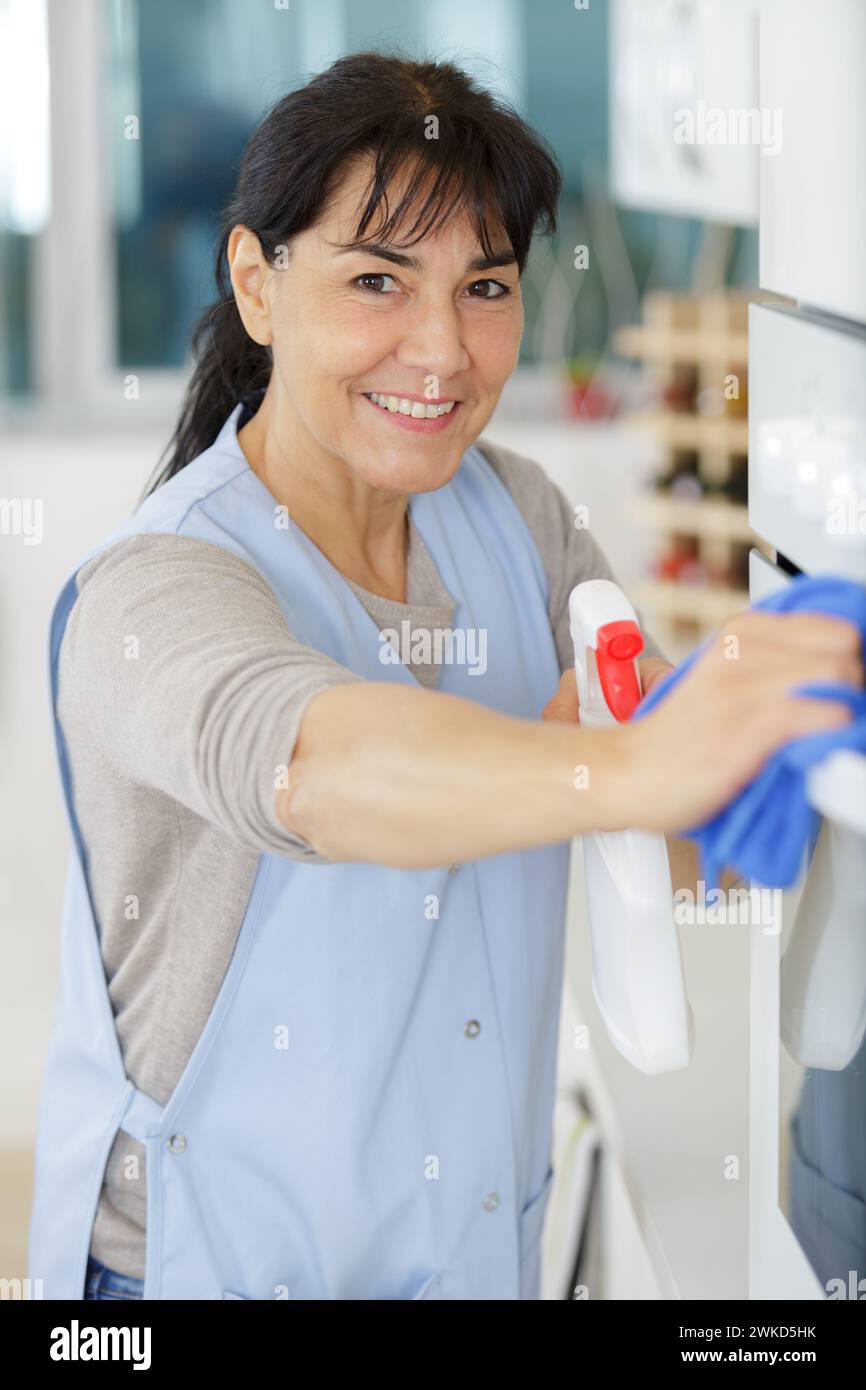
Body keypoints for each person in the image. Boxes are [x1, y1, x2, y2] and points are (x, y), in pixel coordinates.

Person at [29, 53, 862, 1301]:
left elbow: (645, 827)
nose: (441, 349)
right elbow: (313, 768)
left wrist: (752, 770)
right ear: (257, 284)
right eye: (376, 280)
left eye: (485, 286)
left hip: (470, 1252)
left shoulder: (521, 522)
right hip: (211, 1273)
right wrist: (628, 763)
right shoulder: (150, 592)